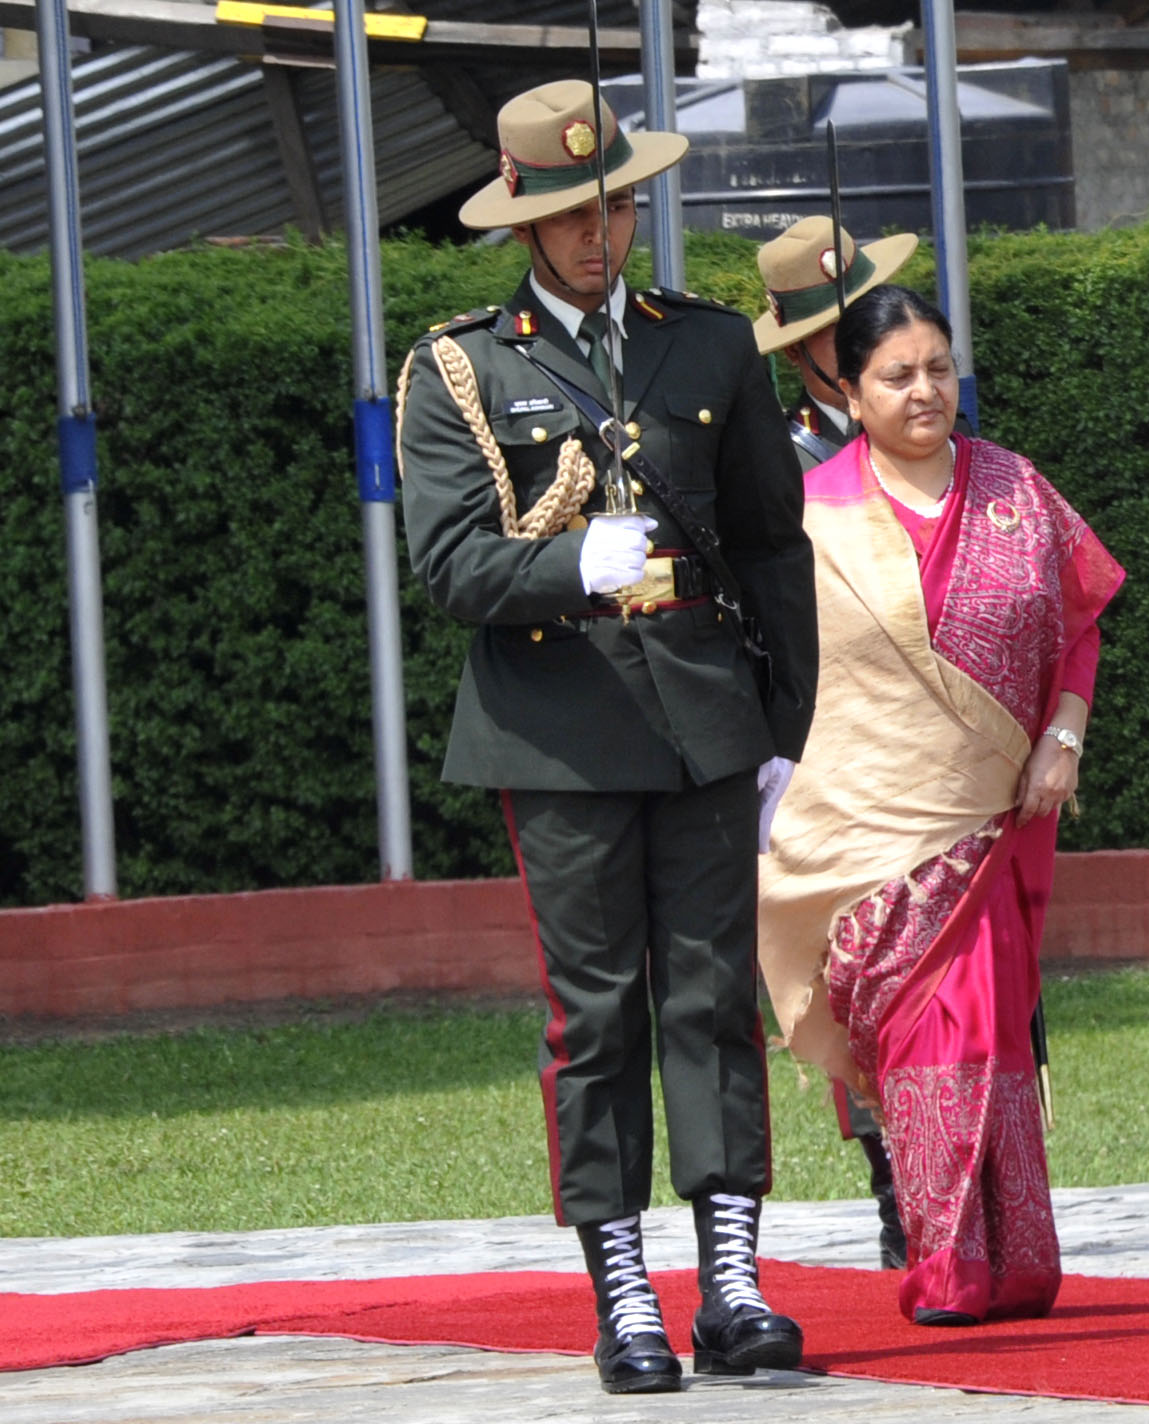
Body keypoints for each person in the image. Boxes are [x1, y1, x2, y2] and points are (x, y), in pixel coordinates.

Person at [396, 80, 819, 1392]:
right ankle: (624, 1288)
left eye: (619, 203)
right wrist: (576, 558)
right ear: (524, 224)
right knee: (598, 1013)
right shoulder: (466, 368)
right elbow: (451, 564)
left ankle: (734, 1280)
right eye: (577, 214)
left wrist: (789, 728)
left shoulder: (706, 348)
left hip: (701, 721)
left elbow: (766, 540)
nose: (602, 234)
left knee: (710, 995)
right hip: (562, 733)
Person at [756, 285, 1124, 1324]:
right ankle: (948, 1267)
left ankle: (1018, 1261)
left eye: (938, 368)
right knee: (929, 1033)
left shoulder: (1015, 487)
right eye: (896, 374)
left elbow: (1081, 615)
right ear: (849, 388)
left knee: (994, 1030)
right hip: (869, 831)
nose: (924, 391)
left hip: (998, 816)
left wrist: (1064, 733)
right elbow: (776, 667)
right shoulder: (812, 512)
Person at [747, 216, 921, 1268]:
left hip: (940, 744)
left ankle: (979, 1165)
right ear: (805, 351)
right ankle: (900, 1182)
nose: (861, 340)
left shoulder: (925, 433)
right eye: (836, 328)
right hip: (833, 748)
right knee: (862, 972)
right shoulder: (778, 459)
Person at [750, 215, 920, 474]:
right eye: (840, 329)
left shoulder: (935, 424)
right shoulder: (779, 461)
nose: (867, 340)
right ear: (794, 350)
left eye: (873, 319)